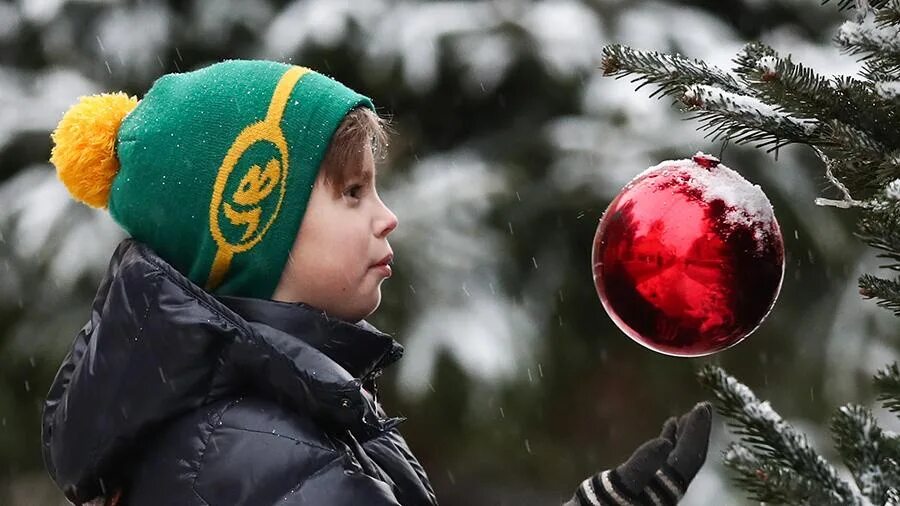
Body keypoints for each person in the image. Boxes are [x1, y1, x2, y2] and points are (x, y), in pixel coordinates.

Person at [41, 60, 711, 506]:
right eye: (353, 193)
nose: (387, 217)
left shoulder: (268, 425)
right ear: (250, 227)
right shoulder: (258, 454)